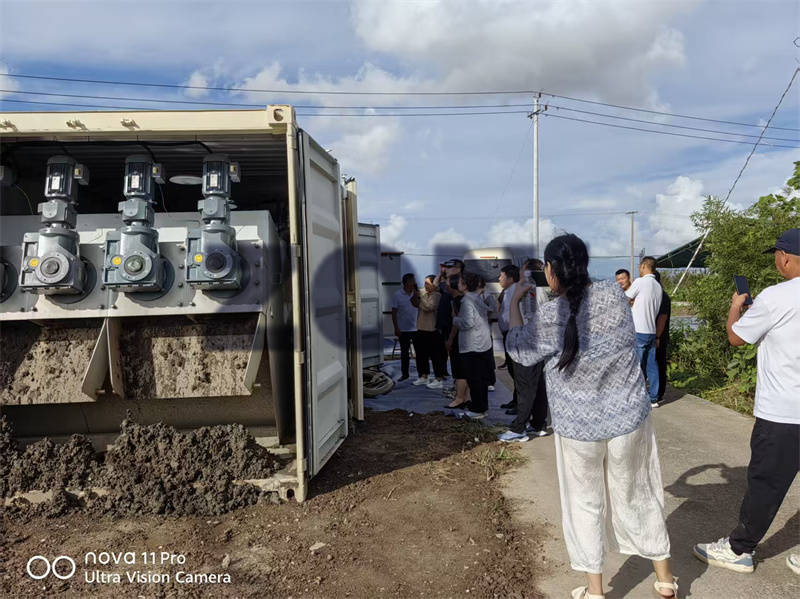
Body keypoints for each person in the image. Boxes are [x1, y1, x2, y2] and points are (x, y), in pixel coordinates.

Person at [507, 234, 678, 599]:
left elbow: (518, 350)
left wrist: (517, 301)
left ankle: (595, 591)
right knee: (641, 493)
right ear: (584, 264)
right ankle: (665, 581)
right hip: (628, 418)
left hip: (578, 428)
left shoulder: (550, 315)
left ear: (550, 272)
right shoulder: (615, 295)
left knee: (585, 504)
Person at [694, 228, 800, 575]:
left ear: (785, 258)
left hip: (784, 411)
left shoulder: (776, 296)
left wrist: (736, 309)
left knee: (766, 482)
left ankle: (740, 550)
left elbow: (736, 337)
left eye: (777, 255)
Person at [499, 258, 551, 442]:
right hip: (536, 345)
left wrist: (515, 300)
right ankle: (538, 424)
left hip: (526, 346)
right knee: (537, 386)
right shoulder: (540, 291)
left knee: (525, 388)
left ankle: (519, 428)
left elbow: (521, 324)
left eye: (524, 272)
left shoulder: (526, 293)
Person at [452, 271, 494, 419]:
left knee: (474, 378)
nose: (457, 284)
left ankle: (477, 409)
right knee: (481, 378)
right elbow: (488, 311)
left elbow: (467, 323)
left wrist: (455, 319)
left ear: (465, 285)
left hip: (471, 345)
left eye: (459, 281)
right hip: (482, 343)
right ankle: (483, 407)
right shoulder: (476, 297)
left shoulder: (466, 301)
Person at [625, 257, 663, 407]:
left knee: (637, 366)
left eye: (639, 267)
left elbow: (625, 298)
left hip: (639, 330)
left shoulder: (640, 282)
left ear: (643, 266)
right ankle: (654, 398)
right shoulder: (658, 286)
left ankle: (636, 398)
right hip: (651, 331)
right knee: (652, 365)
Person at [413, 275, 447, 388]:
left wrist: (421, 297)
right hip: (421, 327)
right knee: (421, 355)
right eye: (425, 283)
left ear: (434, 284)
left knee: (436, 356)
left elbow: (429, 307)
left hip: (432, 330)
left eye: (428, 283)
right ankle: (423, 376)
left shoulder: (437, 295)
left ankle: (439, 378)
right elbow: (414, 303)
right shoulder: (423, 293)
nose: (425, 286)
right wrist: (415, 294)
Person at [496, 264, 521, 413]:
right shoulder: (508, 291)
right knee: (512, 370)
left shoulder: (515, 292)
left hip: (514, 334)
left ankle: (520, 404)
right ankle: (516, 399)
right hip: (508, 334)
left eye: (501, 276)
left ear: (510, 278)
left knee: (517, 371)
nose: (499, 279)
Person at [444, 273, 470, 409]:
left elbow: (456, 323)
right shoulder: (459, 299)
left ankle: (460, 398)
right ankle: (464, 397)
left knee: (459, 369)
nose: (445, 285)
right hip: (463, 340)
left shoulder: (458, 301)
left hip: (459, 340)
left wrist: (450, 339)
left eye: (448, 283)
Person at [391, 273, 421, 382]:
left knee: (420, 353)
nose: (414, 282)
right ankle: (405, 374)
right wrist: (396, 328)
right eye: (413, 280)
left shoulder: (416, 293)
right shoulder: (397, 295)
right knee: (404, 353)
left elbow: (419, 306)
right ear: (407, 282)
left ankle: (421, 374)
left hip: (417, 328)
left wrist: (416, 294)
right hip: (403, 329)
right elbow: (394, 313)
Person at [653, 271, 672, 402]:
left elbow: (662, 318)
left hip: (660, 336)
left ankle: (659, 393)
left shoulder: (662, 296)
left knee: (659, 363)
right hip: (655, 335)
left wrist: (658, 337)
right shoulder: (656, 295)